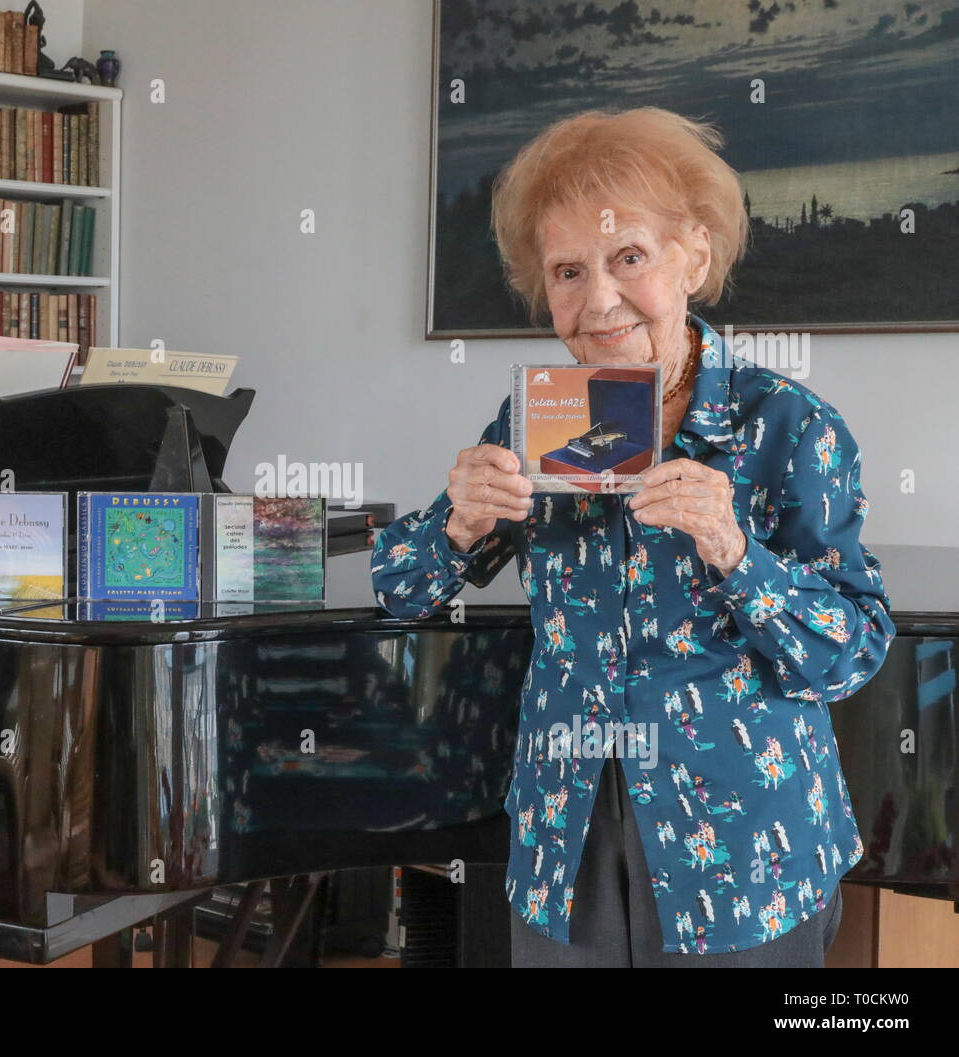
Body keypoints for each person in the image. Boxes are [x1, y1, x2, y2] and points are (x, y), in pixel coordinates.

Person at [371, 107, 894, 966]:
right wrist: (457, 523)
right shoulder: (538, 414)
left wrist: (734, 550)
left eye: (629, 259)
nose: (598, 301)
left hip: (739, 851)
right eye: (568, 271)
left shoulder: (790, 426)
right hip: (564, 834)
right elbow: (401, 589)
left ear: (693, 255)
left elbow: (854, 652)